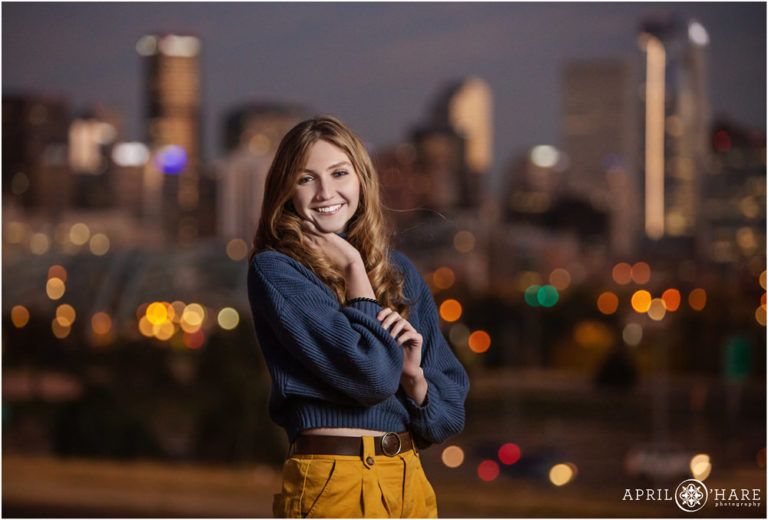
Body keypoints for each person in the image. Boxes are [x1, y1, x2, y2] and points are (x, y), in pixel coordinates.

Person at [247, 115, 469, 518]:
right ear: (286, 190)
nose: (325, 192)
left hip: (408, 479)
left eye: (339, 173)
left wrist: (414, 379)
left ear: (361, 179)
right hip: (334, 481)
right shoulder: (277, 270)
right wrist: (353, 268)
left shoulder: (399, 271)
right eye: (306, 178)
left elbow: (447, 418)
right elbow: (371, 377)